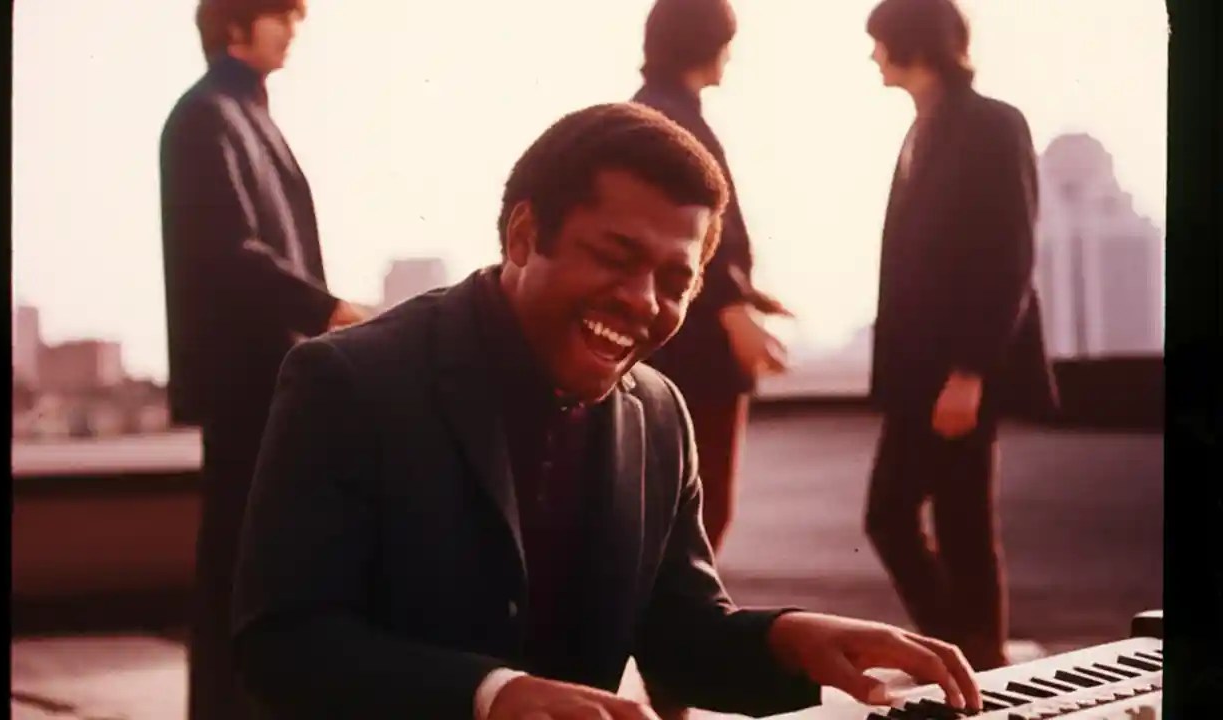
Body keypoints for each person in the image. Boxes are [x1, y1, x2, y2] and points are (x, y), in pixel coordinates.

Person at [231, 101, 983, 719]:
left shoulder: (658, 414)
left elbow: (682, 639)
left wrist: (789, 639)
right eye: (617, 258)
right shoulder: (347, 379)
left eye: (674, 280)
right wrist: (490, 699)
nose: (643, 304)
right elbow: (283, 647)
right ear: (523, 236)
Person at [158, 1, 367, 717]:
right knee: (236, 569)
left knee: (249, 564)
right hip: (246, 383)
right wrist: (329, 310)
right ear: (236, 25)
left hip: (266, 381)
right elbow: (230, 252)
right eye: (281, 14)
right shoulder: (208, 116)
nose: (294, 28)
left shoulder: (238, 113)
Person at [862, 0, 1058, 672]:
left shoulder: (993, 125)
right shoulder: (922, 129)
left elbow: (1010, 257)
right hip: (921, 371)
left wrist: (971, 372)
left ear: (909, 43)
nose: (872, 57)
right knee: (956, 520)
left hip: (957, 371)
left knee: (902, 516)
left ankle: (967, 656)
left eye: (878, 42)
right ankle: (976, 658)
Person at [632, 0, 792, 557]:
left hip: (677, 342)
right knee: (699, 514)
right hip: (696, 349)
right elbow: (686, 237)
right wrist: (732, 309)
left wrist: (748, 297)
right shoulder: (674, 120)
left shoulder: (652, 113)